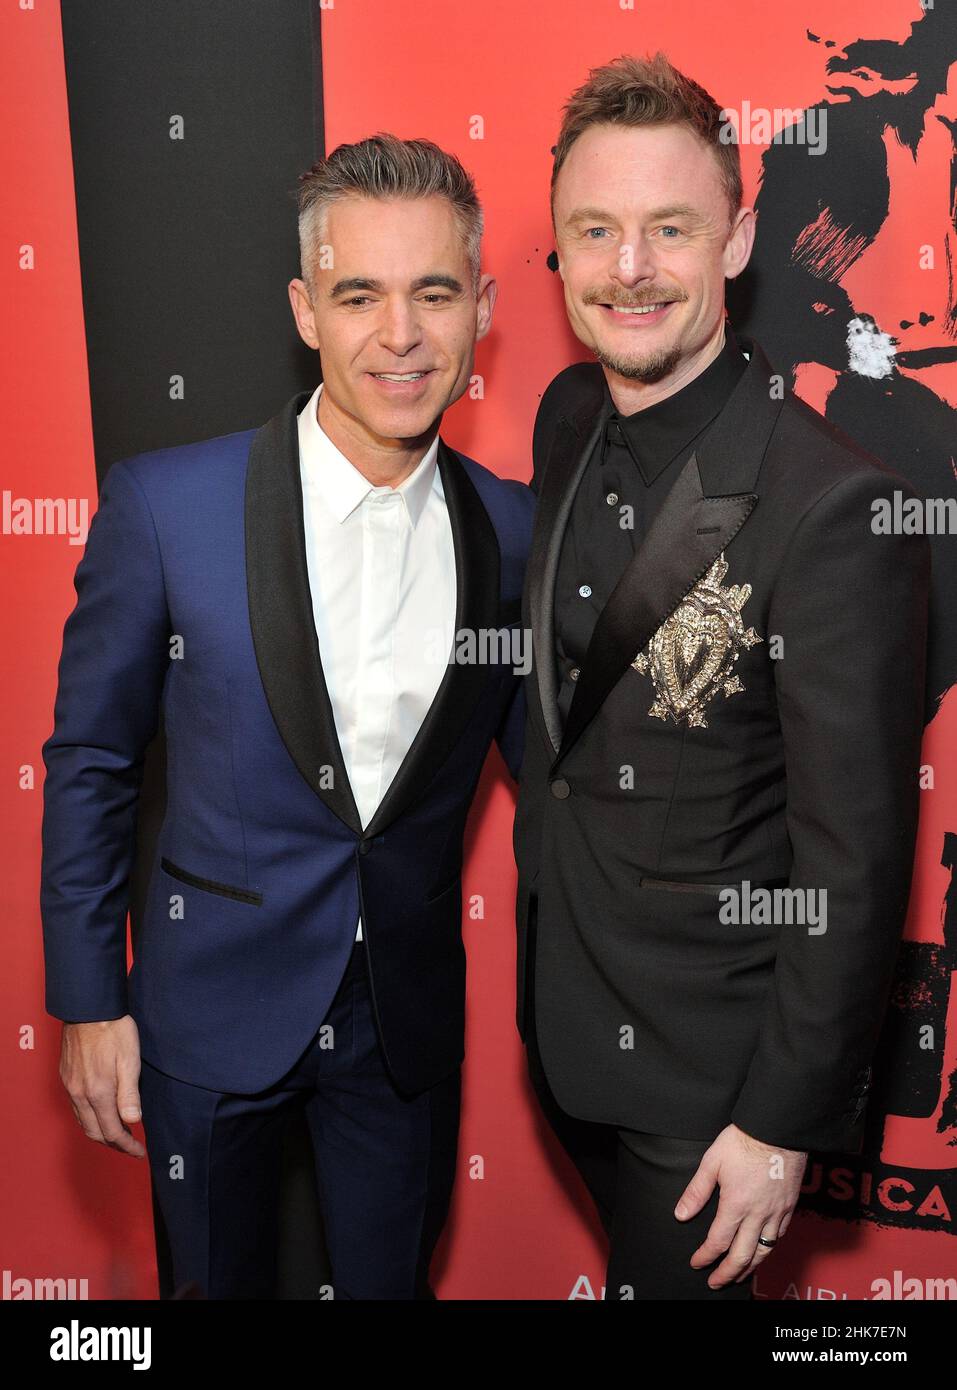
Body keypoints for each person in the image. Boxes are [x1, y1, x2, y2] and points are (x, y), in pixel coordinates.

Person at [41, 134, 534, 1300]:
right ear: (307, 309)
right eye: (360, 295)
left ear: (484, 308)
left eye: (434, 293)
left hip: (401, 1024)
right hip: (204, 1005)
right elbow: (92, 758)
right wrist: (86, 997)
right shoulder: (168, 505)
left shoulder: (519, 530)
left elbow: (565, 779)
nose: (400, 336)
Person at [512, 53, 930, 1300]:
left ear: (738, 241)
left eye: (669, 229)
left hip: (712, 1100)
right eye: (596, 230)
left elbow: (853, 861)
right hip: (566, 1038)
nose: (629, 267)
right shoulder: (565, 416)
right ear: (560, 248)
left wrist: (780, 1124)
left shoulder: (835, 505)